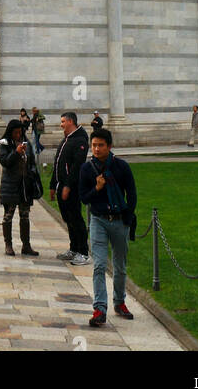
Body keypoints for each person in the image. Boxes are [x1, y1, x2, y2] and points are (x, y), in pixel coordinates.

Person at [79, 128, 137, 327]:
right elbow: (84, 197)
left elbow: (132, 193)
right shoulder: (87, 169)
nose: (96, 149)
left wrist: (127, 217)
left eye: (100, 145)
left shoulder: (121, 167)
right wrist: (97, 188)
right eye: (93, 145)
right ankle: (99, 308)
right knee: (99, 265)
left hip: (119, 220)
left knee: (120, 267)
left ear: (109, 146)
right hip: (99, 220)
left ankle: (119, 302)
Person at [49, 111, 90, 264]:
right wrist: (53, 185)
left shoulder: (80, 140)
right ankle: (74, 248)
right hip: (61, 186)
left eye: (63, 121)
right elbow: (58, 163)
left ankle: (83, 252)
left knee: (76, 218)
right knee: (68, 218)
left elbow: (76, 166)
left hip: (71, 188)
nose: (61, 125)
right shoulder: (67, 140)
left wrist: (67, 186)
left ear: (71, 122)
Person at [0, 118, 40, 257]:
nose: (18, 135)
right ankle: (8, 244)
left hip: (25, 185)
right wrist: (16, 152)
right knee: (8, 215)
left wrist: (32, 171)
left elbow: (32, 160)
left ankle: (26, 245)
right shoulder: (4, 144)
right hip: (10, 185)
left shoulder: (25, 144)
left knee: (25, 215)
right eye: (15, 132)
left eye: (20, 132)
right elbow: (5, 162)